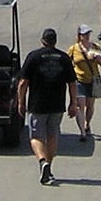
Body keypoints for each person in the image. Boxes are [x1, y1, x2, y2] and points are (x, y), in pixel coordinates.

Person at [17, 27, 78, 184]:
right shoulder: (64, 58)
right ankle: (48, 168)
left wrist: (20, 102)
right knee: (52, 135)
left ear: (42, 41)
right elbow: (72, 83)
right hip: (57, 104)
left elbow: (23, 82)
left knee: (36, 136)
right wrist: (73, 103)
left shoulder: (33, 57)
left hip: (38, 104)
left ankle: (43, 162)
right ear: (55, 41)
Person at [67, 26, 101, 141]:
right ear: (79, 36)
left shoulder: (95, 47)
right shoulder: (74, 49)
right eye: (84, 34)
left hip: (92, 80)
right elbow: (68, 62)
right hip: (79, 80)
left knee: (90, 106)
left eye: (88, 34)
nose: (87, 36)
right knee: (81, 106)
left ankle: (87, 124)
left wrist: (96, 57)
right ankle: (82, 132)